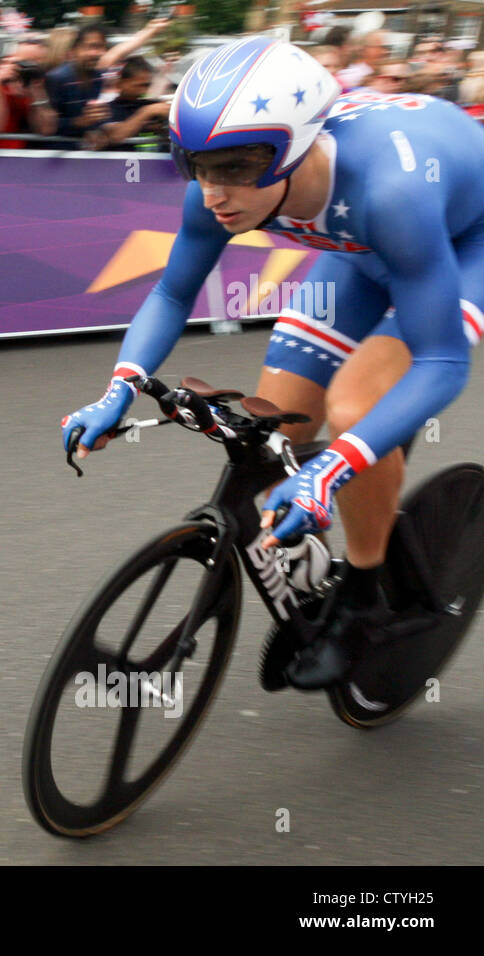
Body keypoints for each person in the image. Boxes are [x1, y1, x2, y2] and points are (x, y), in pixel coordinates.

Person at [60, 36, 484, 690]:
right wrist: (118, 387)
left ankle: (363, 599)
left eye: (236, 167)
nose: (214, 192)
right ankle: (336, 532)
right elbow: (172, 292)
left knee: (353, 412)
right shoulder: (220, 189)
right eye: (194, 165)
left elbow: (441, 362)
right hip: (360, 249)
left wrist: (337, 467)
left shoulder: (392, 190)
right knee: (278, 430)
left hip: (460, 244)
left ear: (300, 146)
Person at [0, 39, 54, 148]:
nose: (29, 67)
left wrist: (36, 91)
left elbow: (46, 129)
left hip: (21, 151)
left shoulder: (41, 81)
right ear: (9, 59)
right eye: (25, 62)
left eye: (36, 63)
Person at [44, 25, 108, 140]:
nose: (97, 53)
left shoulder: (98, 77)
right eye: (91, 47)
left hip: (85, 151)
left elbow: (93, 121)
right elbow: (46, 125)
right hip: (56, 152)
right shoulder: (57, 78)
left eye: (102, 47)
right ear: (75, 50)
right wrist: (79, 122)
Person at [98, 56, 168, 149]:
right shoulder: (106, 110)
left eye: (147, 85)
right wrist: (147, 112)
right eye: (139, 85)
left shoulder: (153, 105)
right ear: (120, 84)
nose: (144, 91)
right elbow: (115, 135)